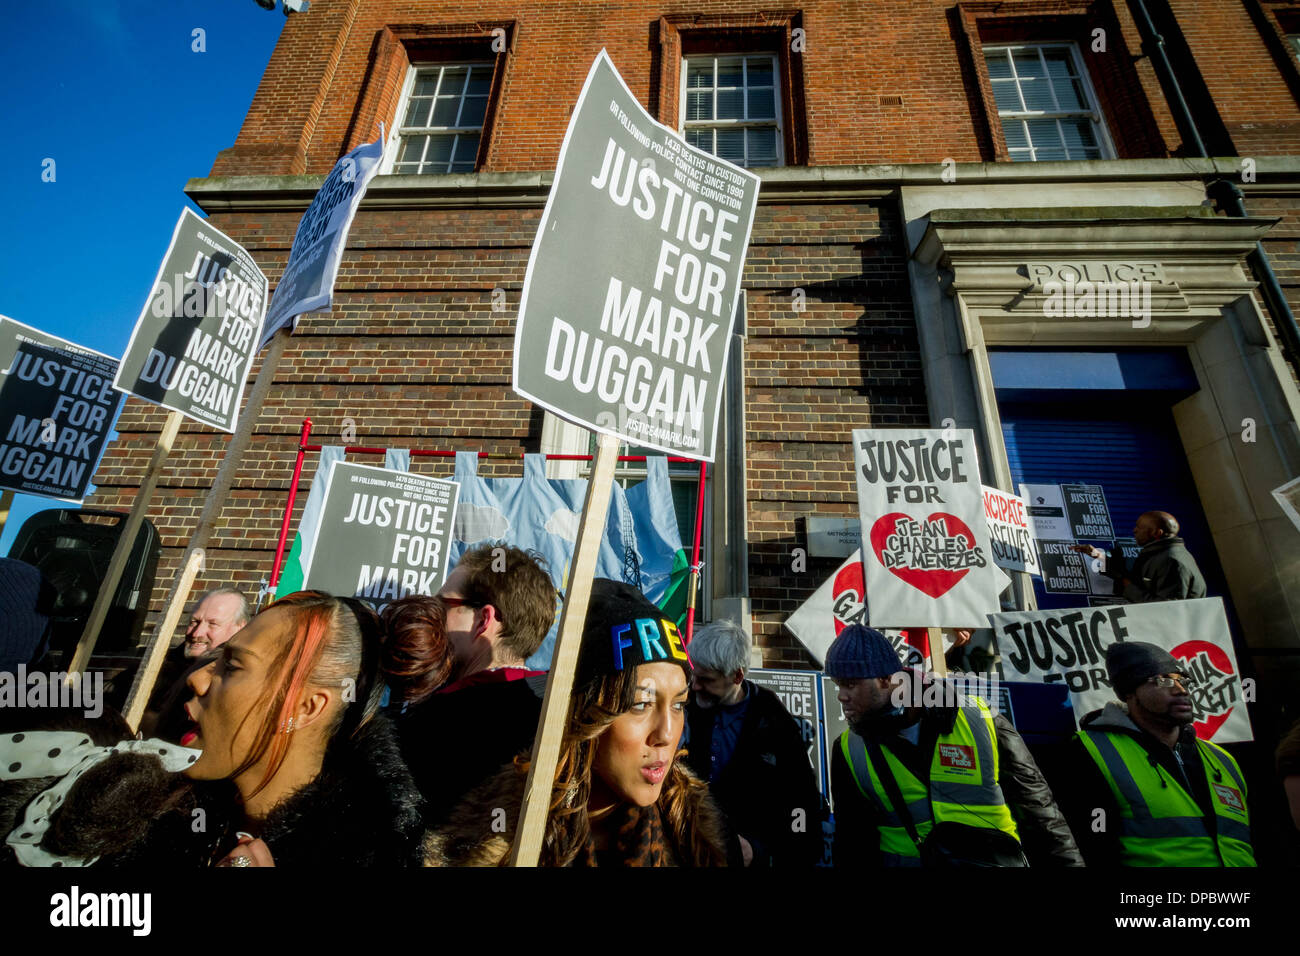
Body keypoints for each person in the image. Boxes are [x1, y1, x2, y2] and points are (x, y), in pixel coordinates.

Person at [2, 591, 427, 867]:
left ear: (305, 706)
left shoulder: (367, 854)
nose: (198, 679)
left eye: (233, 666)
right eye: (218, 659)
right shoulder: (153, 811)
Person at [425, 579, 728, 866]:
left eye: (678, 704)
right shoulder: (494, 828)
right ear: (584, 712)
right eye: (640, 704)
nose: (666, 733)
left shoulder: (699, 841)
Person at [826, 624, 1082, 867]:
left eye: (851, 684)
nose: (841, 695)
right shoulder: (850, 748)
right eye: (838, 685)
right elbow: (853, 843)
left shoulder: (980, 719)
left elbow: (1041, 814)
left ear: (886, 680)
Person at [393, 543, 557, 825]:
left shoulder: (435, 725)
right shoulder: (554, 713)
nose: (432, 616)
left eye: (442, 605)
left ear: (483, 620)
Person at [1058, 641, 1255, 867]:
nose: (1180, 690)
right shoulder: (1090, 750)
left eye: (1183, 680)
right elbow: (1091, 847)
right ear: (1130, 692)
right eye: (1164, 681)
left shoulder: (1223, 759)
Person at [683, 620, 823, 866]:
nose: (694, 685)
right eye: (694, 675)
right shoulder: (682, 707)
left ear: (737, 675)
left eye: (706, 680)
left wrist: (762, 850)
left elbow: (800, 799)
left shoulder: (775, 721)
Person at [143, 587, 251, 741]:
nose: (197, 633)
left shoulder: (235, 678)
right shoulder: (158, 664)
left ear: (240, 628)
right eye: (194, 622)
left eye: (213, 624)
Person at [1071, 511, 1206, 602]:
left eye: (1139, 527)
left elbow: (1167, 608)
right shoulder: (1158, 553)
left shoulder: (1171, 561)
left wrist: (1127, 586)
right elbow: (1128, 575)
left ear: (1156, 533)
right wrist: (1097, 555)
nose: (1134, 530)